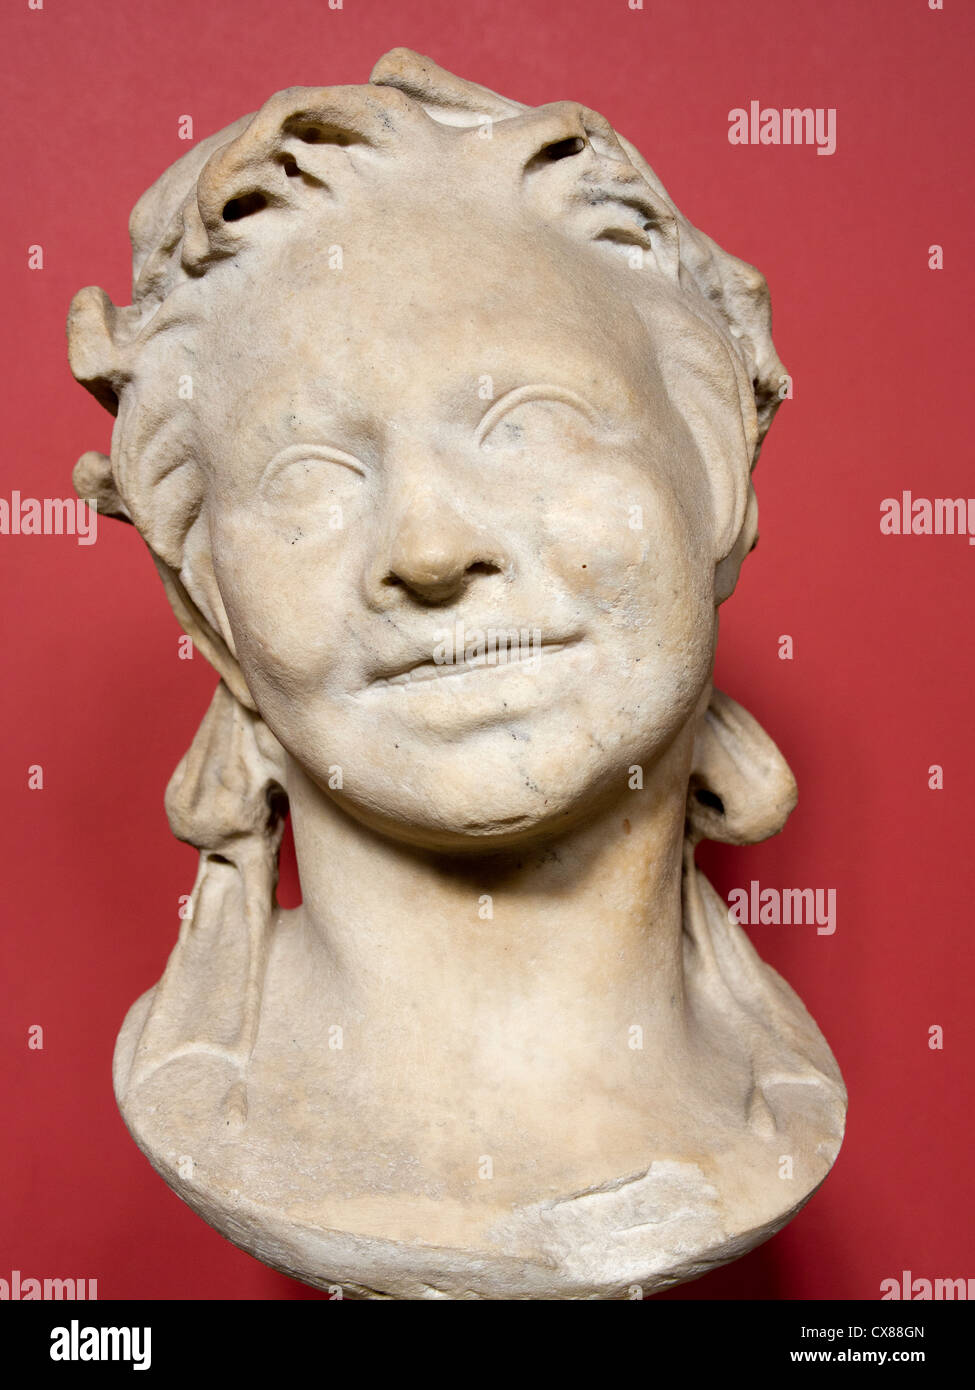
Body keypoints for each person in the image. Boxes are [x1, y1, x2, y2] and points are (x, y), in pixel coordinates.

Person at [68, 48, 845, 1299]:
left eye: (525, 423)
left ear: (717, 487)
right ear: (207, 606)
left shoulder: (778, 1101)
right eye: (309, 472)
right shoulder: (216, 1099)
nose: (429, 550)